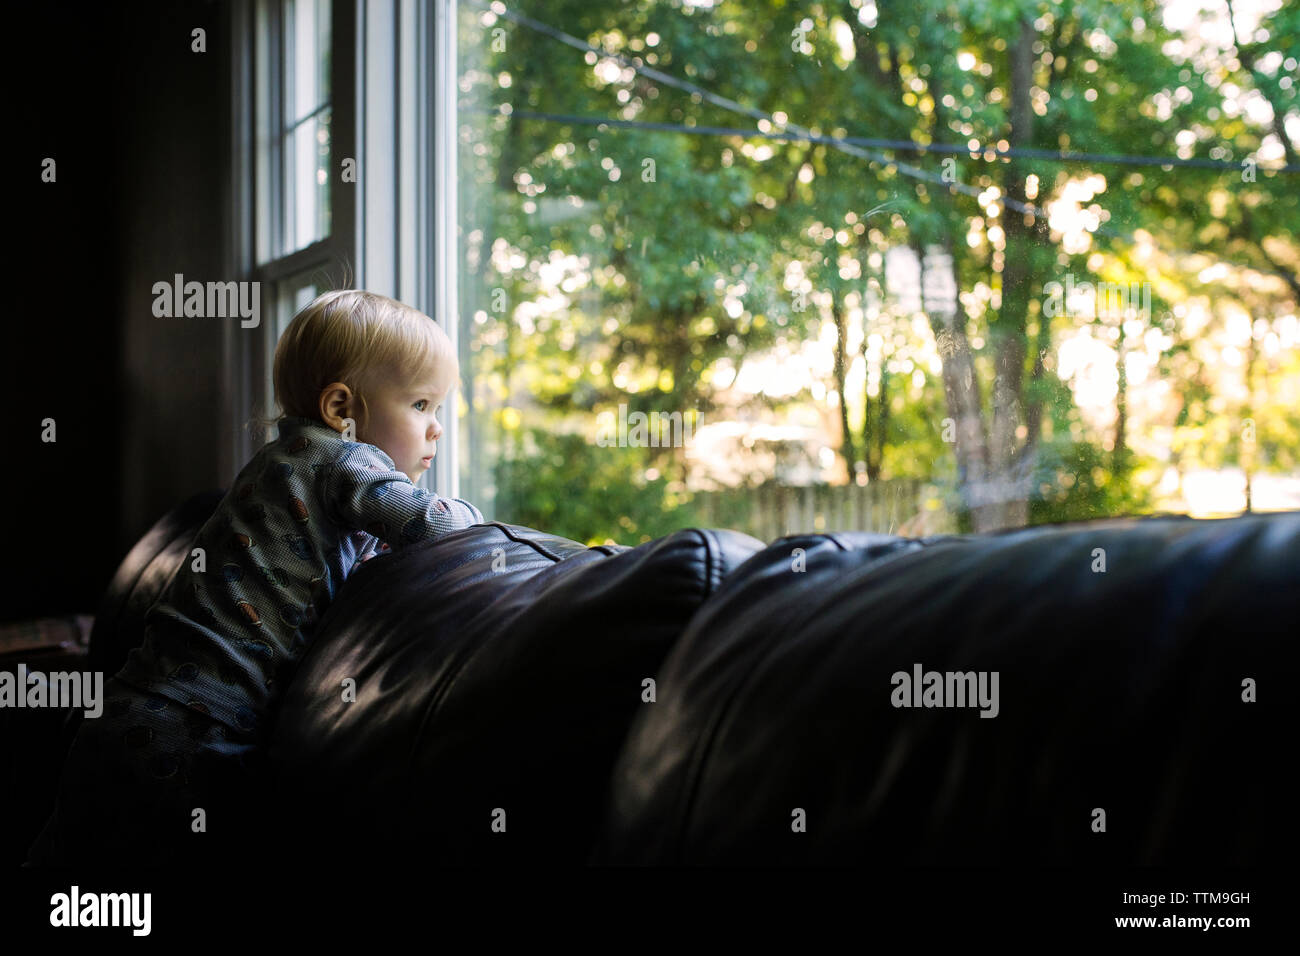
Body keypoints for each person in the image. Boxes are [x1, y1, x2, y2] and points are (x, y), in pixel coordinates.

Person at [25, 289, 485, 868]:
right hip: (197, 726)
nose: (436, 429)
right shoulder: (344, 461)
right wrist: (476, 516)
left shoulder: (276, 462)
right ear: (343, 409)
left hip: (127, 710)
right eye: (422, 406)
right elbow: (432, 525)